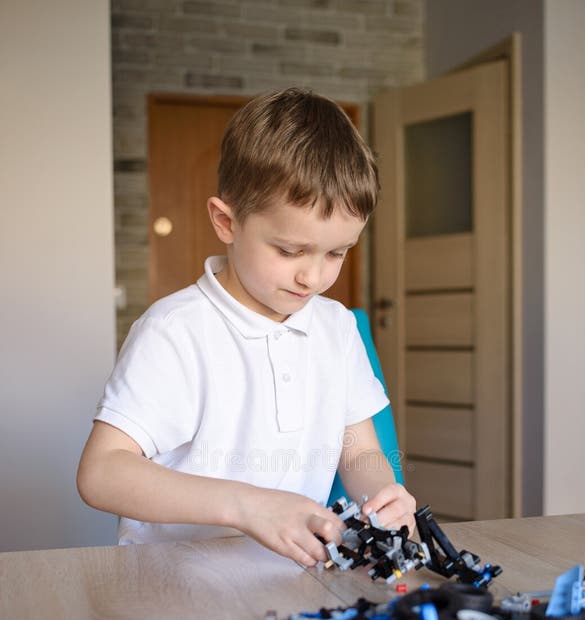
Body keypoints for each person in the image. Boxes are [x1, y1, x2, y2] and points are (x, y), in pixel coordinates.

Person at [77, 87, 416, 567]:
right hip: (169, 594)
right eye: (289, 250)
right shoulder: (175, 330)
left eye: (337, 253)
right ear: (225, 221)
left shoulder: (336, 328)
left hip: (292, 585)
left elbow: (359, 453)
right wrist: (247, 505)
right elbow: (101, 473)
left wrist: (385, 495)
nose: (313, 276)